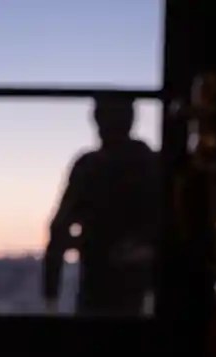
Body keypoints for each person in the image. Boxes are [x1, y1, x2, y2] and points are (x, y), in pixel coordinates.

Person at [44, 96, 163, 315]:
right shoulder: (150, 163)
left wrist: (51, 294)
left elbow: (59, 228)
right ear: (131, 120)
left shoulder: (89, 166)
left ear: (96, 120)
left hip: (96, 282)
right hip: (140, 285)